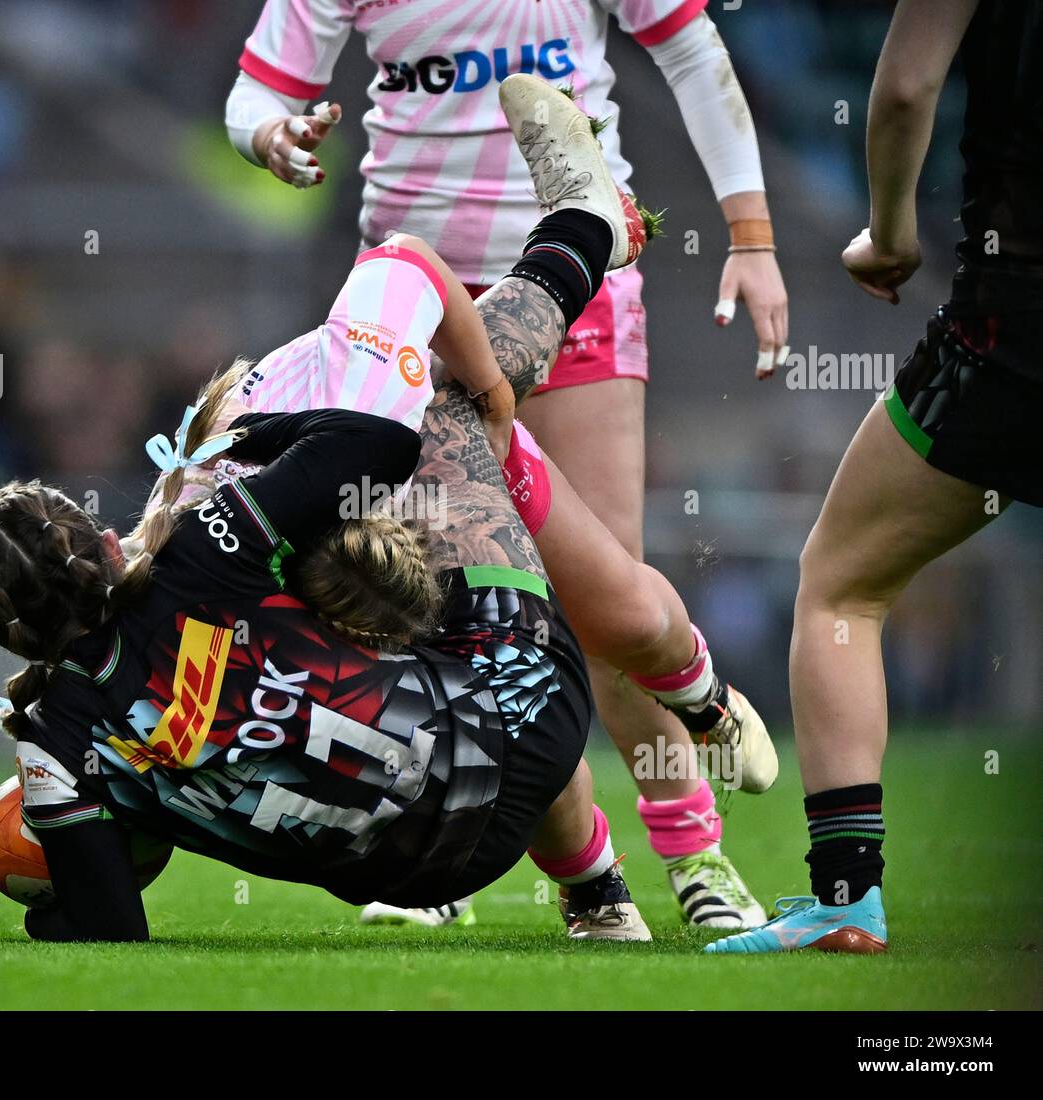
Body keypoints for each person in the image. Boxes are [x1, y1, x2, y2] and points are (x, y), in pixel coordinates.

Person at [0, 78, 673, 942]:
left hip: (410, 873)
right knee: (440, 409)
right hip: (528, 725)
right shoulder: (200, 550)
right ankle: (582, 228)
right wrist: (253, 442)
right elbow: (381, 446)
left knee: (358, 596)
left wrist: (75, 856)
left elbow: (110, 931)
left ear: (9, 642)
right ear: (107, 546)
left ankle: (599, 890)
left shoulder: (52, 747)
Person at [225, 0, 787, 927]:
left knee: (602, 598)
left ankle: (698, 858)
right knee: (424, 604)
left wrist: (755, 238)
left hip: (577, 292)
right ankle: (518, 879)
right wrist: (271, 136)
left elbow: (692, 49)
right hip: (413, 308)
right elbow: (256, 95)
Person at [708, 0, 1041, 955]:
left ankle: (848, 900)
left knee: (842, 584)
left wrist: (890, 233)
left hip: (1013, 329)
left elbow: (901, 89)